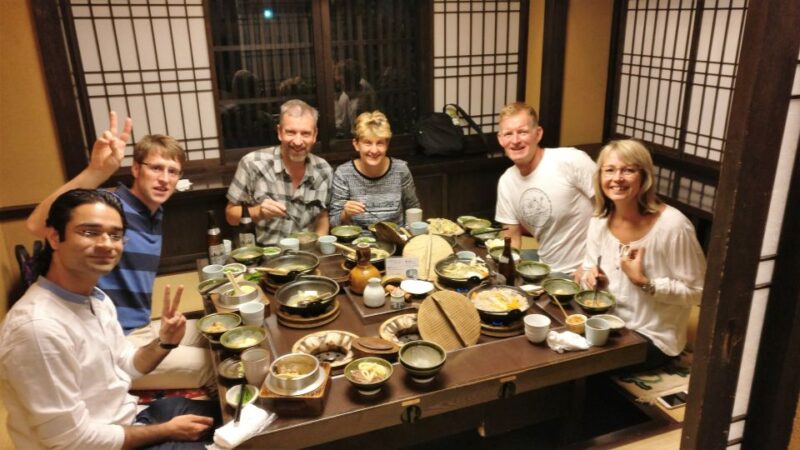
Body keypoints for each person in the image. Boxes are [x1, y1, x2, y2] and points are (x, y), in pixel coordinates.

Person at [1, 189, 220, 449]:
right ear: (54, 237)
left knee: (236, 416)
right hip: (101, 443)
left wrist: (164, 343)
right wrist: (165, 431)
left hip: (129, 419)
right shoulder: (38, 328)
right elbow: (71, 441)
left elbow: (126, 366)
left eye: (115, 235)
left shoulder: (96, 298)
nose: (106, 243)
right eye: (89, 232)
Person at [25, 112, 213, 390]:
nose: (164, 179)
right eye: (156, 168)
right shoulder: (110, 207)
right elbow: (37, 224)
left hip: (143, 327)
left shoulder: (154, 212)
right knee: (216, 367)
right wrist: (96, 172)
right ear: (136, 169)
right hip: (115, 344)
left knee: (220, 330)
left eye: (172, 172)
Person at [580, 139, 706, 366]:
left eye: (628, 170)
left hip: (653, 337)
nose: (617, 178)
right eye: (609, 170)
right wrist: (591, 277)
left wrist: (644, 282)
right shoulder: (600, 220)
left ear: (644, 177)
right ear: (600, 177)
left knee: (580, 365)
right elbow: (588, 268)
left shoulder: (673, 226)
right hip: (608, 323)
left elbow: (698, 291)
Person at [494, 102, 596, 273]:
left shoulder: (571, 160)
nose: (515, 140)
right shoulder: (507, 181)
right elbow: (511, 237)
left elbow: (612, 210)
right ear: (500, 139)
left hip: (586, 270)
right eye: (508, 134)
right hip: (546, 267)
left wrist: (592, 264)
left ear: (538, 134)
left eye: (523, 132)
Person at [225, 99, 333, 244]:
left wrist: (319, 244)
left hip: (308, 254)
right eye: (291, 132)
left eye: (305, 134)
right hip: (265, 254)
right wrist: (259, 212)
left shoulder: (323, 169)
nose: (298, 141)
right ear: (279, 132)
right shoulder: (252, 163)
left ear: (314, 135)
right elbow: (230, 216)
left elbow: (322, 215)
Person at [329, 111, 420, 228]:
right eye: (367, 143)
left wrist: (408, 238)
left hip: (395, 240)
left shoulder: (401, 170)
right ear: (356, 144)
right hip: (358, 243)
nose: (374, 150)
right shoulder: (343, 174)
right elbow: (332, 222)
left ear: (387, 144)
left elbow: (414, 208)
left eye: (380, 143)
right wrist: (345, 214)